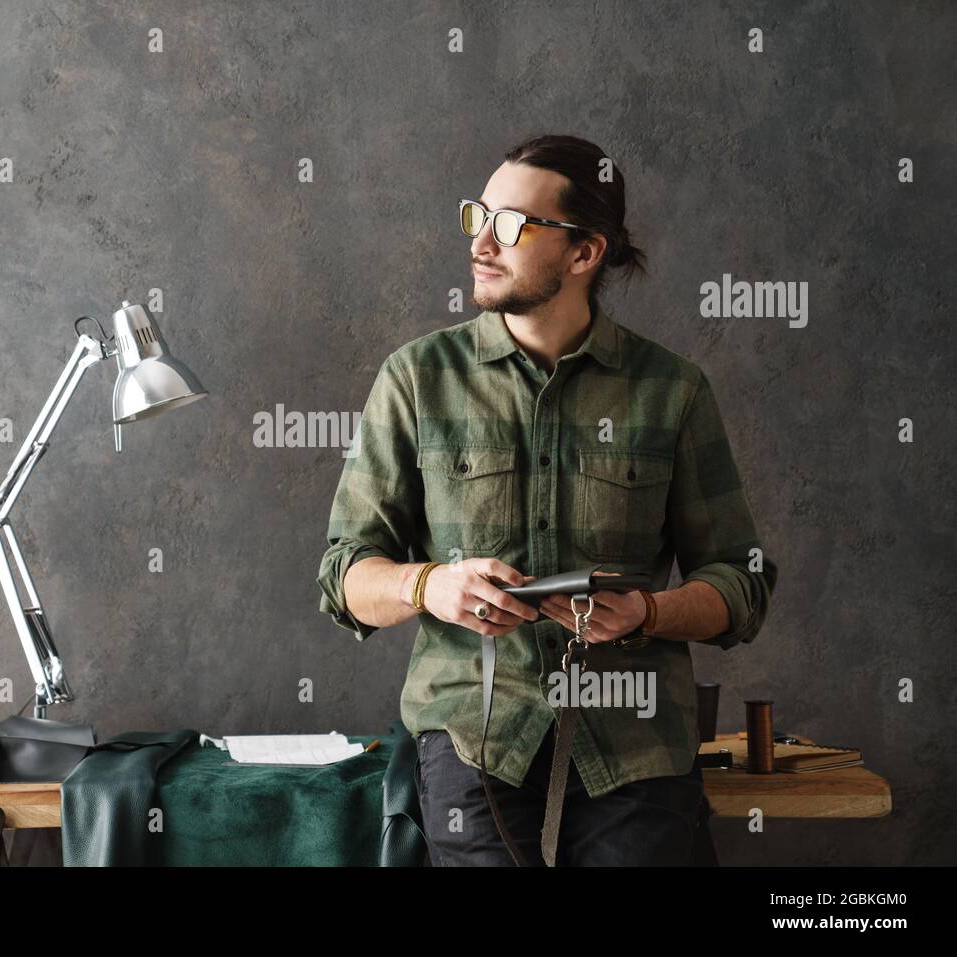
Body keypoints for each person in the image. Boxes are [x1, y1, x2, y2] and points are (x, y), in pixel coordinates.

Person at [316, 133, 778, 866]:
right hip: (474, 740)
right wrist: (432, 585)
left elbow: (742, 580)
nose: (482, 242)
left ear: (584, 253)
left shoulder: (672, 390)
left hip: (634, 744)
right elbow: (344, 576)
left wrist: (648, 612)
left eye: (511, 225)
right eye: (478, 217)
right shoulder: (416, 379)